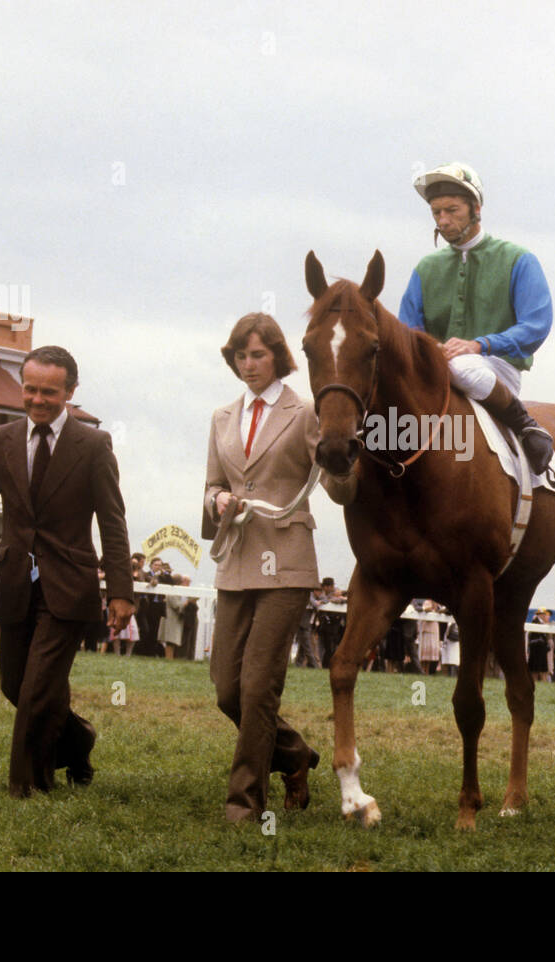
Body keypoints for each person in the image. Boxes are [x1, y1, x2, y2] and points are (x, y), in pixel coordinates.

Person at [0, 344, 135, 798]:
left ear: (70, 391)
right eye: (31, 389)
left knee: (38, 688)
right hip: (16, 582)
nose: (38, 400)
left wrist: (121, 592)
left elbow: (112, 521)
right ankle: (78, 740)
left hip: (68, 586)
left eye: (50, 392)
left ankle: (27, 785)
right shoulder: (2, 439)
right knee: (16, 684)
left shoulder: (94, 445)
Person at [201, 312, 322, 823]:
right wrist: (218, 501)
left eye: (258, 355)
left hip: (287, 562)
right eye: (240, 356)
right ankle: (294, 756)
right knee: (228, 688)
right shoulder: (221, 418)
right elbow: (210, 486)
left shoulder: (308, 412)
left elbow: (336, 476)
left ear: (278, 356)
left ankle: (244, 802)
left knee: (257, 688)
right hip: (236, 559)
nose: (248, 365)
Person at [399, 162, 555, 474]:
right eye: (436, 213)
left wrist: (480, 345)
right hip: (435, 372)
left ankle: (525, 424)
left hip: (496, 369)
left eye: (452, 210)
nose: (443, 220)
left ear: (476, 209)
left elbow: (536, 326)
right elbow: (407, 331)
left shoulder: (518, 260)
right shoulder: (425, 269)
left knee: (460, 366)